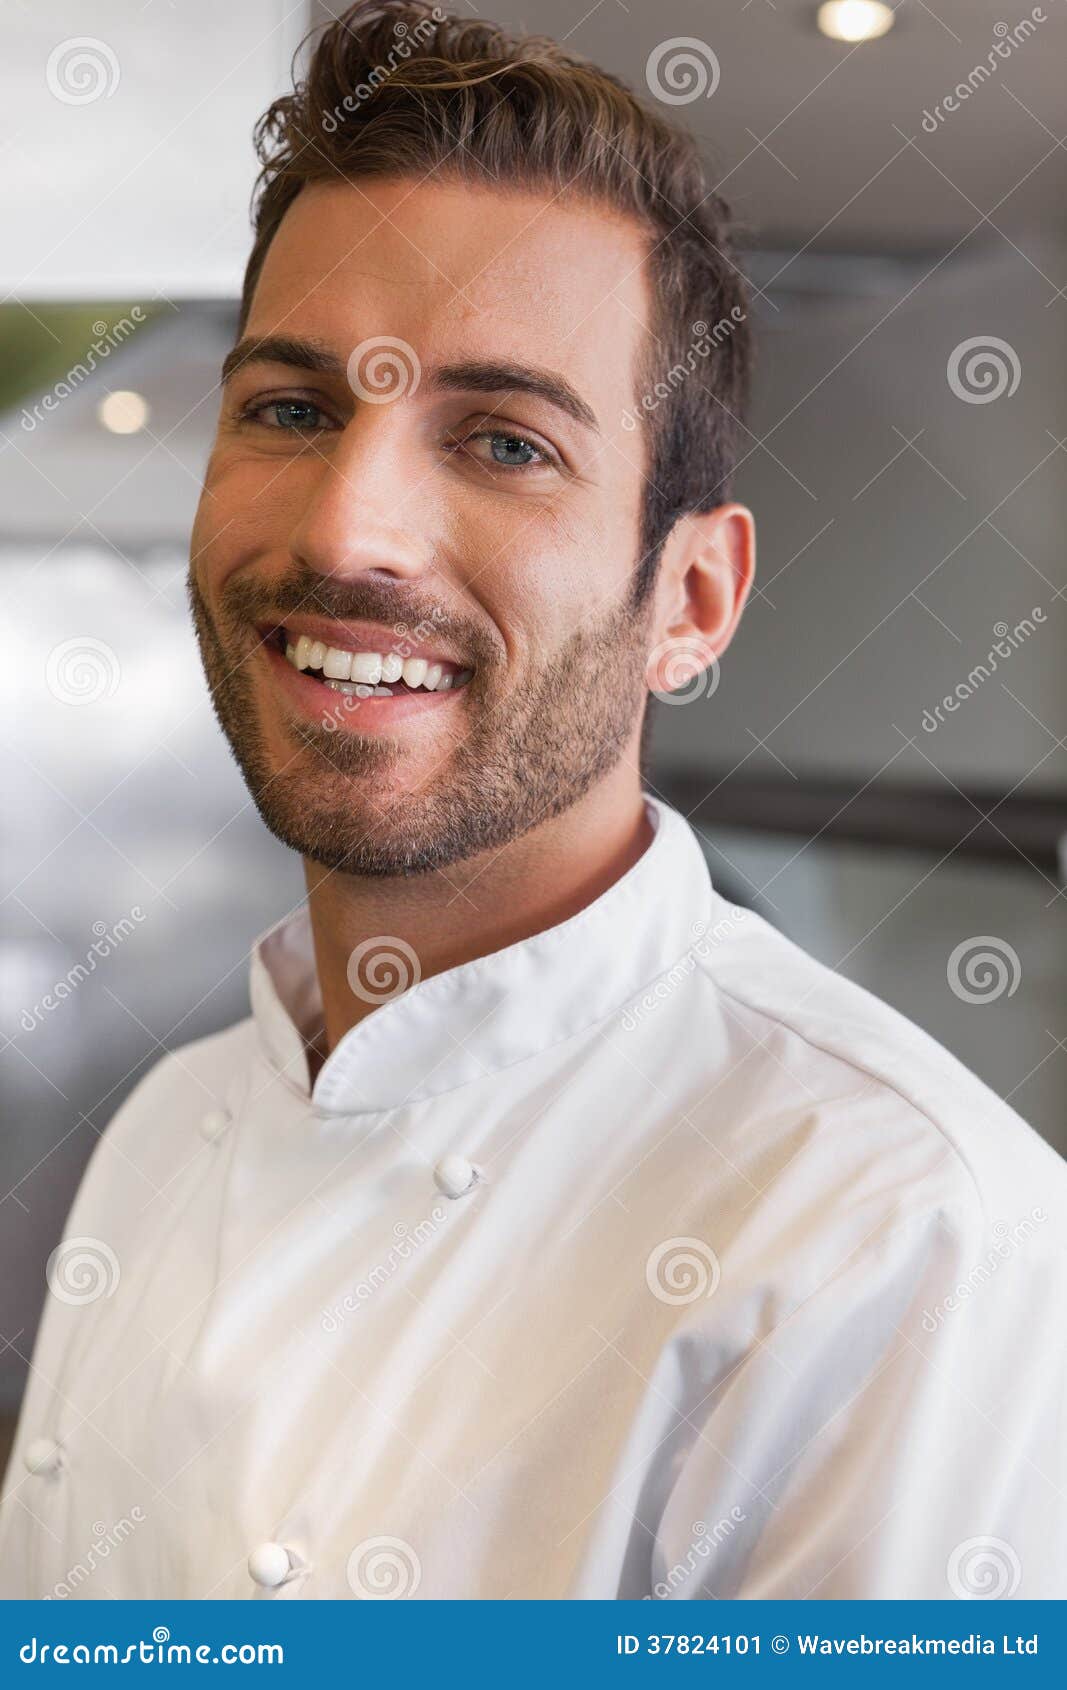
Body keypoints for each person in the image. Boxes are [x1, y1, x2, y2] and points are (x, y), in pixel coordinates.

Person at [2, 0, 1064, 1602]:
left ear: (692, 598)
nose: (351, 531)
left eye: (503, 440)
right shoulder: (170, 1126)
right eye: (290, 409)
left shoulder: (906, 1231)